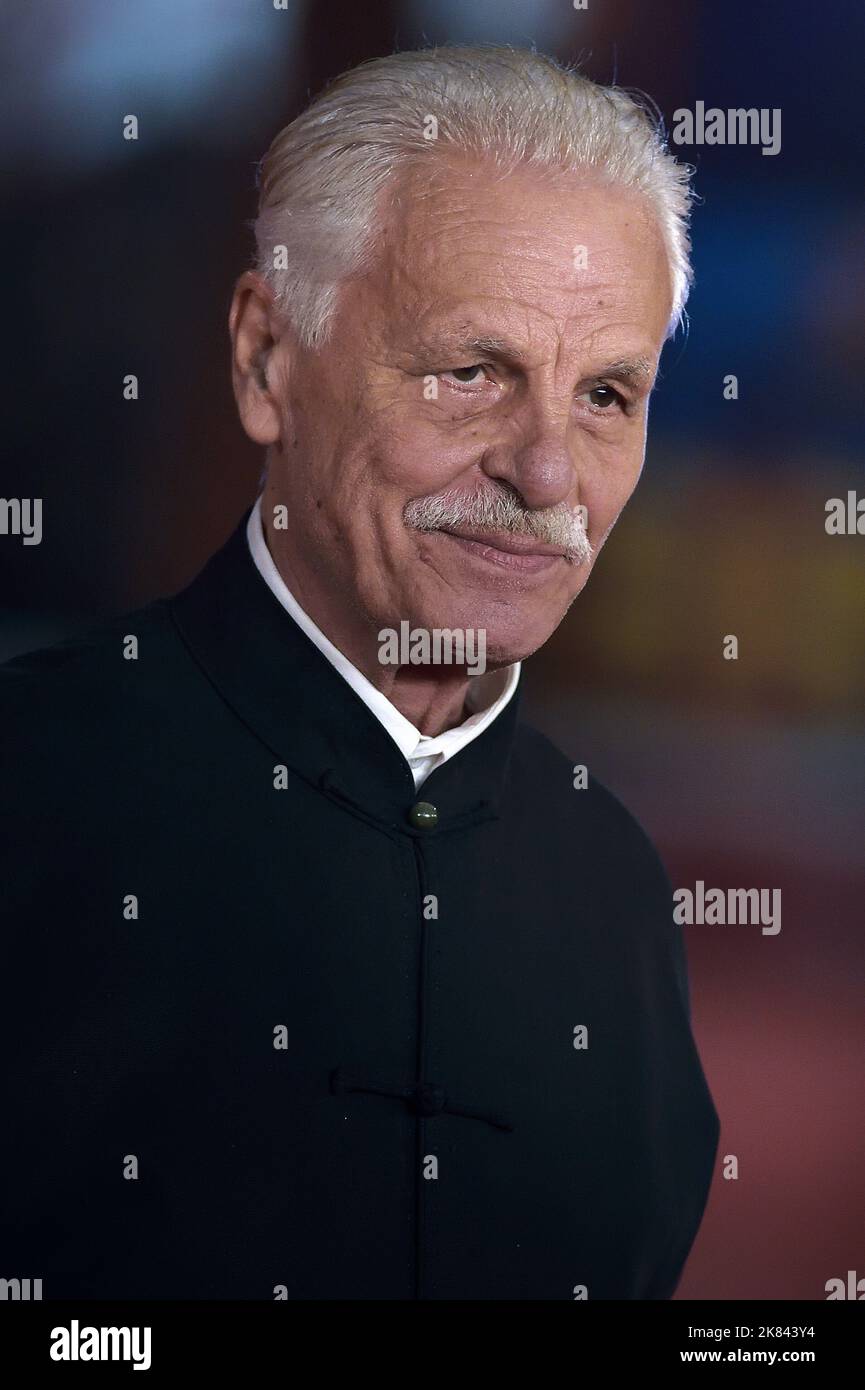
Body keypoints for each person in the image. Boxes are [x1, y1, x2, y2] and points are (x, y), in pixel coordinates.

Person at [0, 46, 719, 1300]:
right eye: (471, 372)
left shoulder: (613, 884)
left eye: (607, 393)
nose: (546, 477)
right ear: (267, 361)